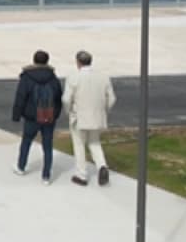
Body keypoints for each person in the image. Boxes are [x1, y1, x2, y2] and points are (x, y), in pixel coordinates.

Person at [62, 49, 116, 186]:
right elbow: (112, 99)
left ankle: (81, 175)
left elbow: (67, 99)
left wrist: (68, 112)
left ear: (78, 62)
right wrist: (104, 111)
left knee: (79, 145)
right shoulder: (103, 77)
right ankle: (102, 166)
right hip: (97, 117)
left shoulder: (74, 77)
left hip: (79, 118)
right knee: (94, 143)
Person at [10, 50, 62, 182]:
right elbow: (58, 98)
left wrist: (16, 115)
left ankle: (21, 167)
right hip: (49, 117)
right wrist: (55, 114)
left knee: (26, 142)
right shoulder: (53, 78)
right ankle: (46, 176)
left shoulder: (27, 77)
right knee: (47, 145)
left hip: (32, 117)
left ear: (34, 60)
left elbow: (20, 97)